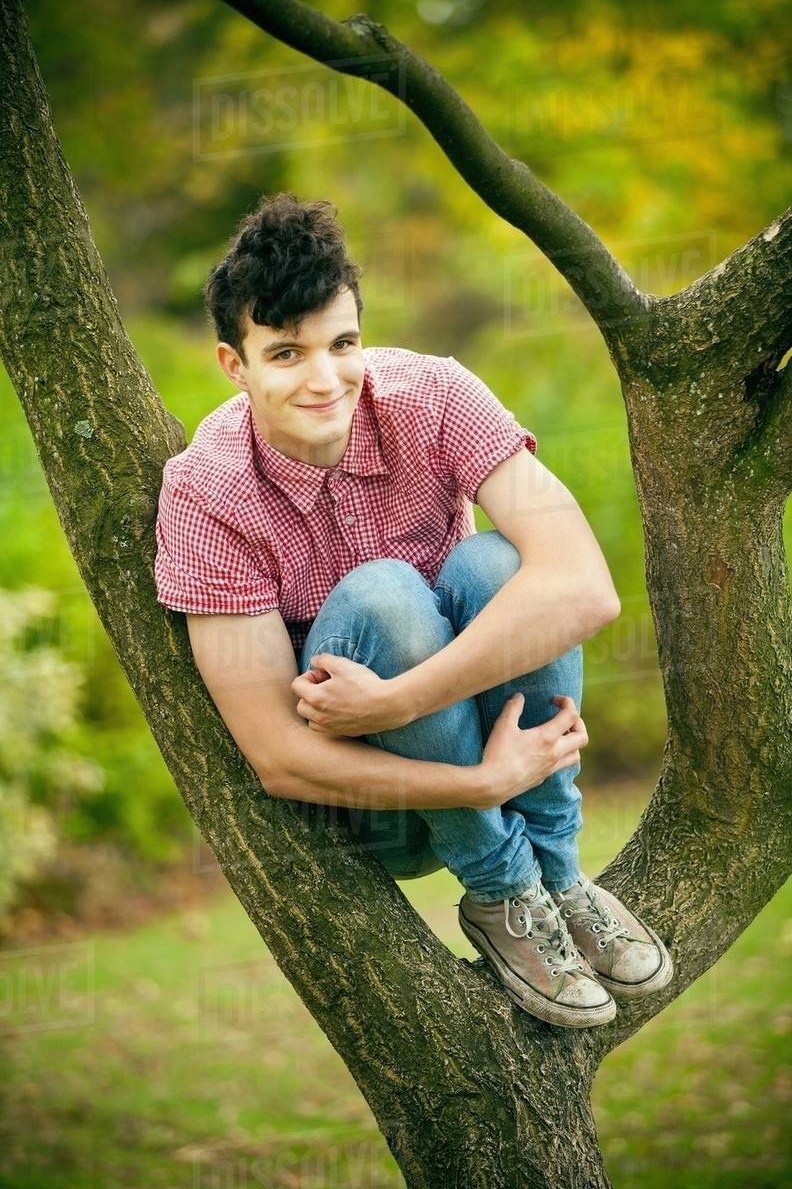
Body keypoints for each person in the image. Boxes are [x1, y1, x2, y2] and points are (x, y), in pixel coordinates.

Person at [154, 191, 673, 1029]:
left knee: (499, 563)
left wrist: (403, 701)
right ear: (233, 364)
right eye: (285, 354)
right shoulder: (207, 491)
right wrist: (476, 784)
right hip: (381, 806)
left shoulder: (432, 394)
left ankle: (559, 876)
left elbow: (586, 587)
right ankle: (505, 894)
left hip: (498, 756)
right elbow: (279, 760)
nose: (326, 380)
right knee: (383, 593)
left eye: (343, 343)